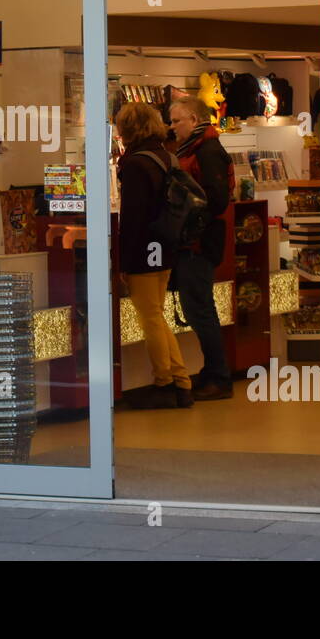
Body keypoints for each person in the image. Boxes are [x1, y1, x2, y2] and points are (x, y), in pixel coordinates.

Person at [116, 102, 193, 409]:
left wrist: (123, 261)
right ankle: (181, 382)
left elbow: (132, 217)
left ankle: (166, 382)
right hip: (164, 244)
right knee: (156, 315)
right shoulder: (166, 156)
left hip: (144, 247)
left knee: (150, 317)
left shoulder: (135, 164)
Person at [167, 97, 235, 400]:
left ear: (194, 119)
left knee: (200, 310)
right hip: (197, 239)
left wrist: (189, 221)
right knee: (199, 309)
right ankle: (213, 373)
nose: (172, 127)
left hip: (199, 242)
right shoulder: (197, 149)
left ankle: (218, 377)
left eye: (176, 120)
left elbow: (216, 198)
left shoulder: (207, 152)